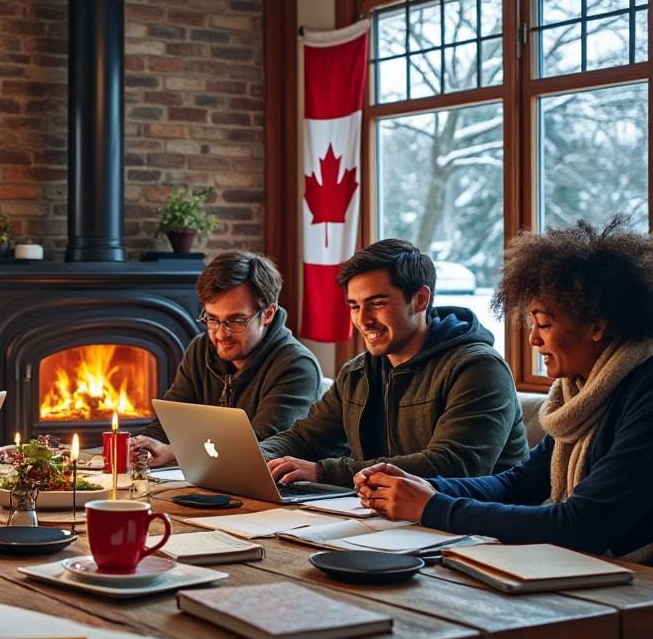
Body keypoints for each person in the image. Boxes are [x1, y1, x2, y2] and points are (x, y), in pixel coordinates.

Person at [356, 218, 653, 562]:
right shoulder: (582, 395)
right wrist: (426, 487)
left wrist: (432, 507)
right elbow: (518, 485)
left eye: (544, 324)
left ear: (597, 327)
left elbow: (582, 525)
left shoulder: (643, 394)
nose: (533, 338)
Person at [261, 238, 529, 488]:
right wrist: (251, 458)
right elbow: (303, 439)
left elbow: (453, 466)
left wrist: (323, 472)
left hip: (480, 530)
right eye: (354, 306)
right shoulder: (356, 373)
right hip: (389, 521)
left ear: (420, 299)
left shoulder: (479, 368)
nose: (363, 320)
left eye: (376, 303)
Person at [129, 251, 322, 468]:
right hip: (209, 475)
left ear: (267, 314)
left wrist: (175, 452)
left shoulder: (297, 366)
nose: (221, 334)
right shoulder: (201, 349)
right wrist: (140, 446)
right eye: (212, 319)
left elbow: (263, 445)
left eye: (236, 321)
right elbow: (169, 423)